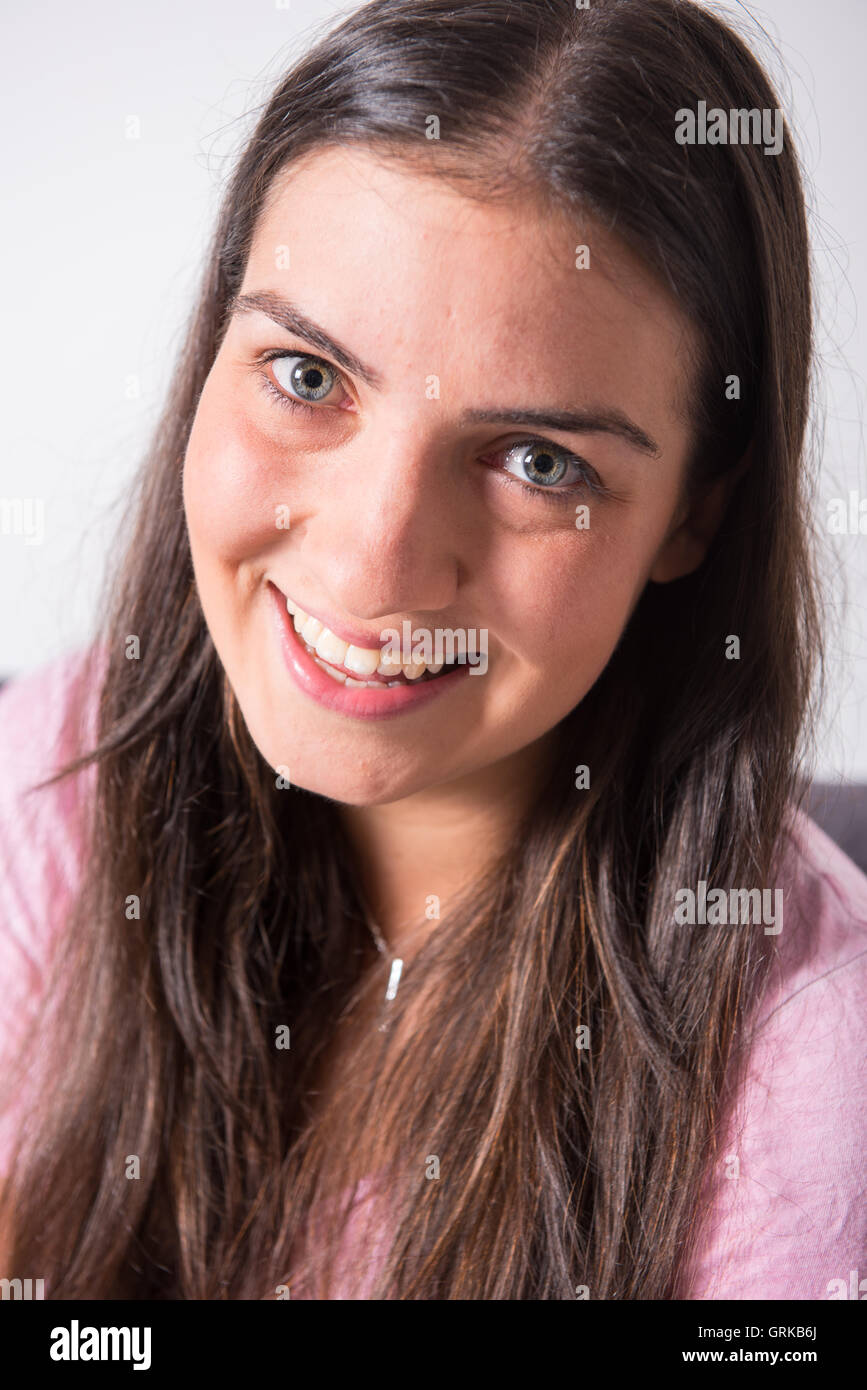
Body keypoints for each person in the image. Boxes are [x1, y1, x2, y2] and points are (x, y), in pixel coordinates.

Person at [1, 0, 865, 1300]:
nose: (370, 565)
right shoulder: (60, 768)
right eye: (305, 376)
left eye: (536, 460)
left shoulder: (809, 1070)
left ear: (693, 511)